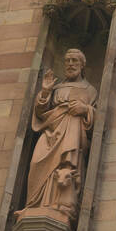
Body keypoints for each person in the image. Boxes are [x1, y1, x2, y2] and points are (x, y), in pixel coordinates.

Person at [24, 48, 97, 221]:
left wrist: (85, 109)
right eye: (67, 60)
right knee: (36, 162)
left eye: (74, 60)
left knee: (65, 167)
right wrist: (45, 92)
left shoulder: (90, 90)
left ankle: (61, 208)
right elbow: (40, 113)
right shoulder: (55, 88)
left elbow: (98, 119)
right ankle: (36, 204)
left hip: (72, 134)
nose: (70, 64)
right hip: (50, 132)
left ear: (82, 65)